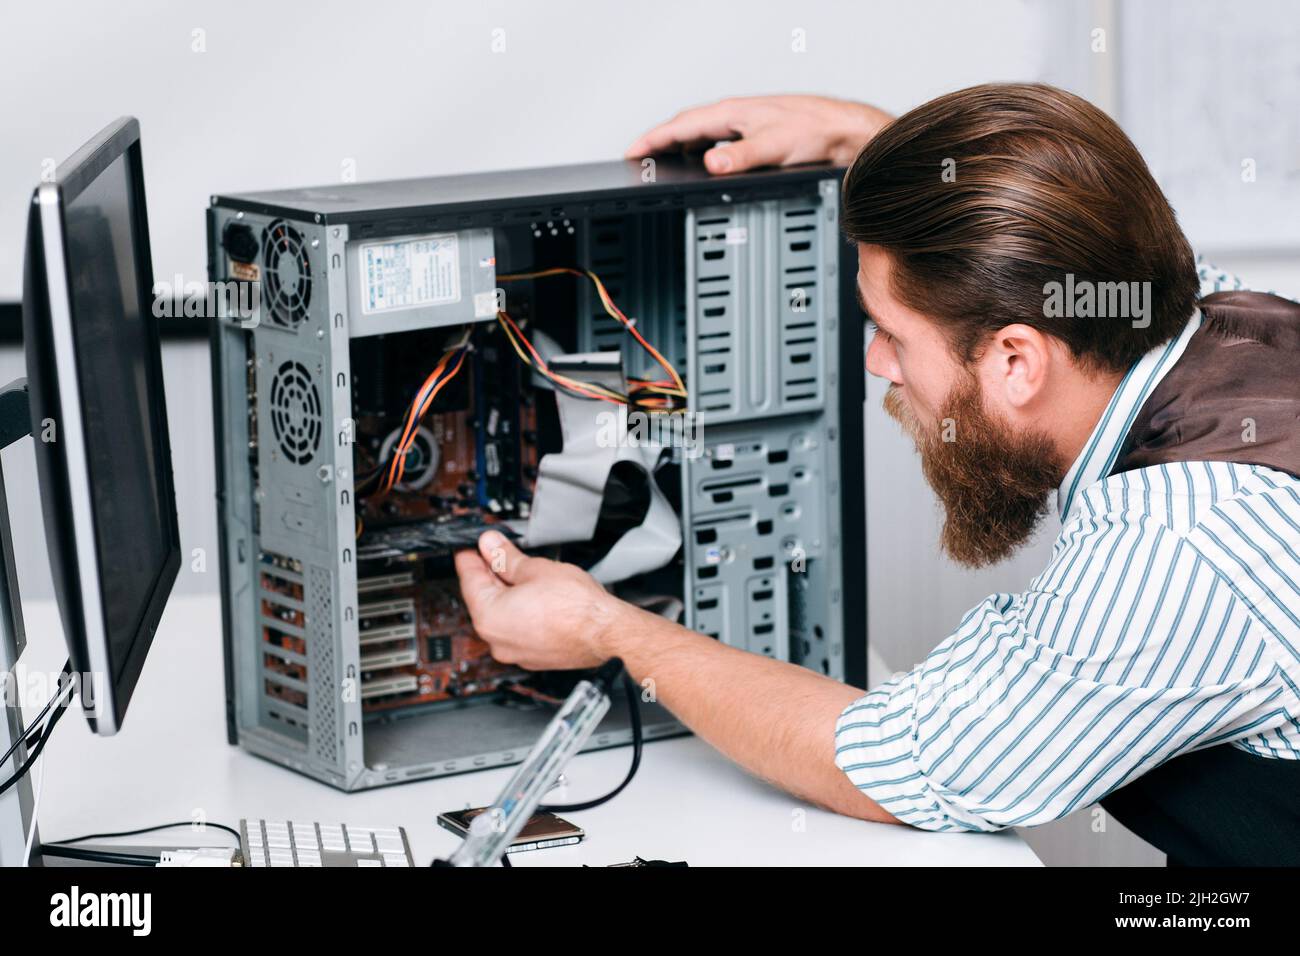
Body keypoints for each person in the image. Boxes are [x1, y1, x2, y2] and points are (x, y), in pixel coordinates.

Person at [454, 85, 1300, 863]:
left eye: (891, 332)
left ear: (1015, 361)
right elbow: (1073, 233)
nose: (875, 362)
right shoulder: (1214, 318)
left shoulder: (1174, 550)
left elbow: (892, 763)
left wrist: (612, 630)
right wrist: (883, 146)